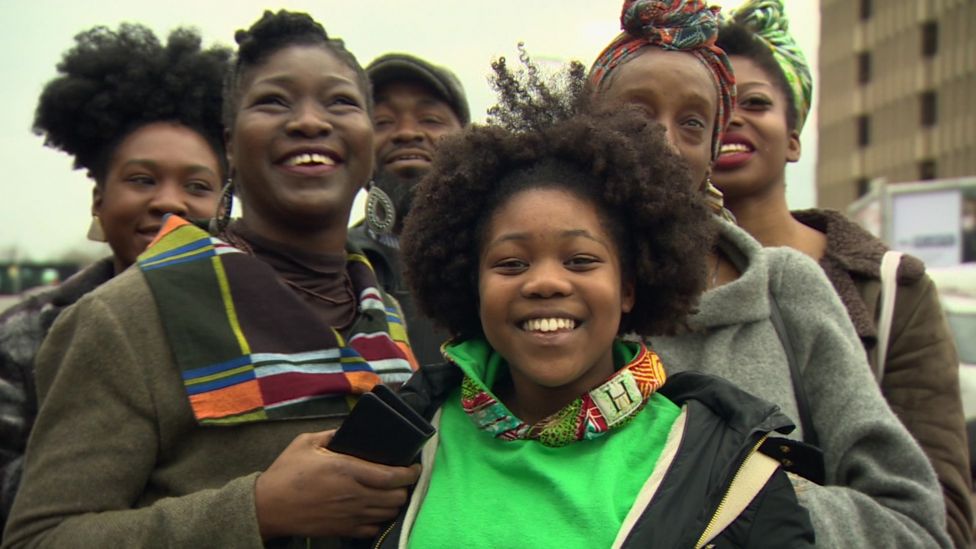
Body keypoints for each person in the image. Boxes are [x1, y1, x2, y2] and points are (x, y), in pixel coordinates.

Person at [2, 11, 421, 548]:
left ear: (369, 145)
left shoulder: (387, 311)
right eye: (274, 101)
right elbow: (39, 538)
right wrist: (256, 510)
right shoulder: (127, 317)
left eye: (341, 102)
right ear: (229, 146)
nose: (310, 121)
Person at [586, 0, 952, 546]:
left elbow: (913, 523)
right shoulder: (533, 295)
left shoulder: (787, 289)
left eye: (692, 123)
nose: (663, 141)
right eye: (635, 116)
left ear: (711, 151)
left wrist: (746, 507)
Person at [388, 105, 815, 548]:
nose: (546, 282)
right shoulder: (402, 444)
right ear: (473, 287)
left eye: (580, 260)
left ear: (627, 288)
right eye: (511, 263)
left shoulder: (731, 475)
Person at [711, 2, 974, 546]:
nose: (730, 118)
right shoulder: (627, 290)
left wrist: (745, 510)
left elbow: (939, 516)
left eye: (755, 102)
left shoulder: (891, 290)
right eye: (708, 108)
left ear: (793, 136)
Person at [0, 23, 229, 528]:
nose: (169, 202)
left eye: (197, 186)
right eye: (142, 180)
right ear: (99, 201)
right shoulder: (25, 334)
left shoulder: (259, 326)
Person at [348, 53, 469, 366]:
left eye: (430, 119)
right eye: (382, 122)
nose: (406, 132)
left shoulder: (500, 256)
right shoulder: (337, 264)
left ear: (468, 137)